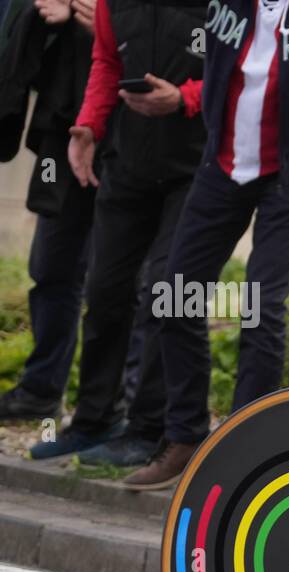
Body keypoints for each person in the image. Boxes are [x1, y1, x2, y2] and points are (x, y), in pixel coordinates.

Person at [122, 0, 289, 490]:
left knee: (259, 305)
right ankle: (185, 437)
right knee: (176, 294)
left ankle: (244, 452)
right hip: (223, 162)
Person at [28, 0, 208, 465]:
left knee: (165, 294)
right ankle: (95, 420)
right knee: (104, 291)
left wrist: (186, 98)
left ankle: (150, 430)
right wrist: (88, 125)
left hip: (197, 169)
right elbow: (107, 62)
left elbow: (242, 73)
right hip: (126, 164)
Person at [0, 0, 95, 423]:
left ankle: (108, 411)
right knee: (52, 264)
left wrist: (101, 18)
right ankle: (41, 392)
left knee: (123, 284)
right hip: (62, 127)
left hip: (137, 135)